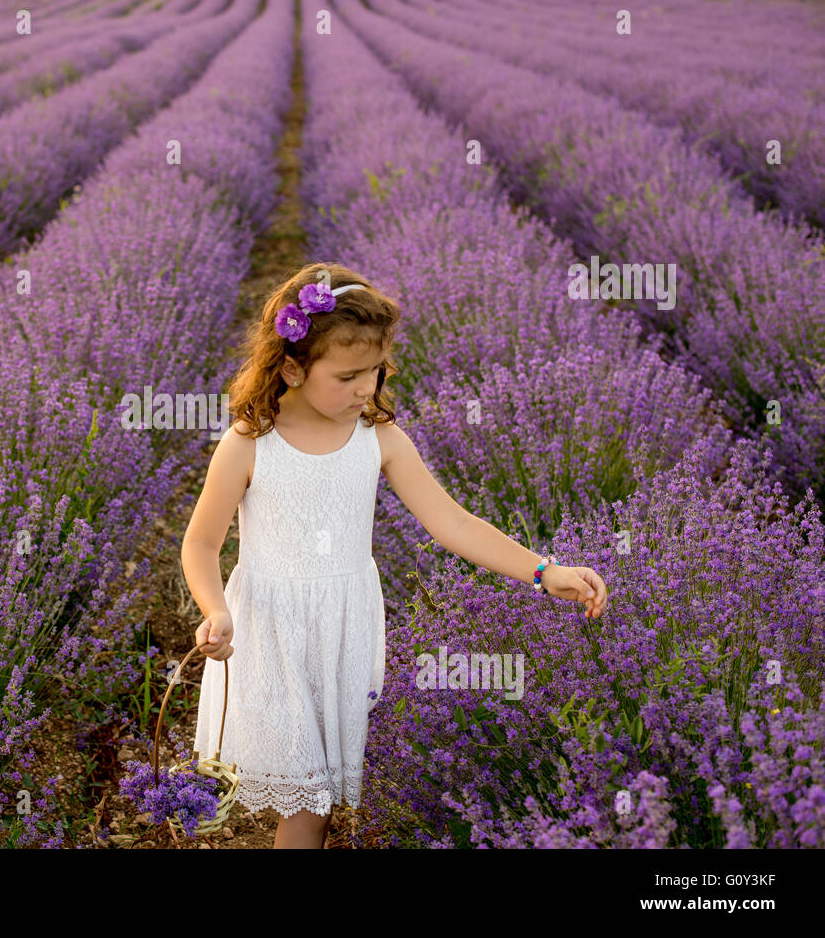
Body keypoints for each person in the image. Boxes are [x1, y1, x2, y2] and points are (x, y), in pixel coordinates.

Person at [181, 262, 608, 849]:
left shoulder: (377, 440)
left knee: (323, 797)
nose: (366, 387)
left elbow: (452, 522)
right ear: (292, 369)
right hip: (270, 631)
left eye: (376, 371)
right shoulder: (251, 443)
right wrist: (215, 610)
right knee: (307, 801)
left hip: (344, 629)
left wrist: (543, 571)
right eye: (349, 374)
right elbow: (201, 543)